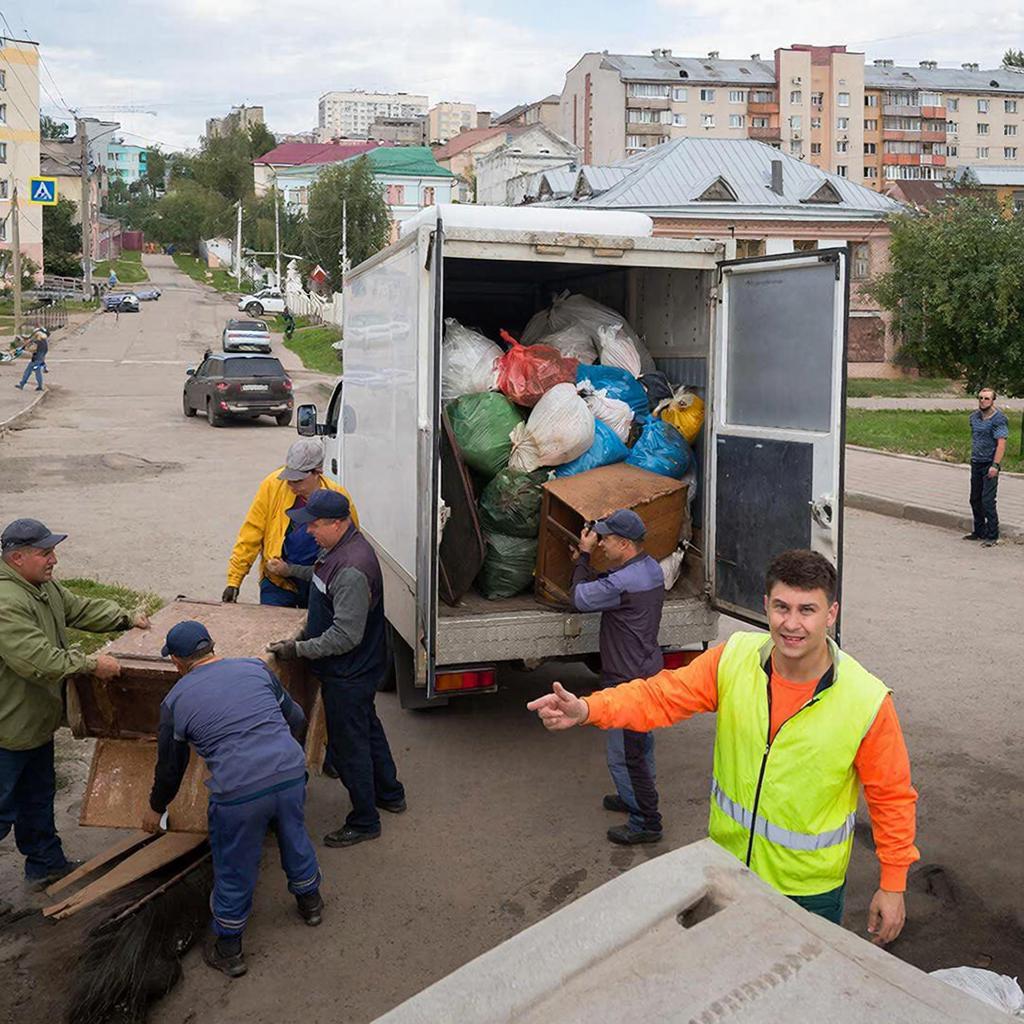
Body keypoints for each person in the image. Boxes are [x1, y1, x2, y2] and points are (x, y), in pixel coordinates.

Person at [528, 549, 918, 946]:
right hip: (725, 871)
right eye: (782, 607)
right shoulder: (734, 659)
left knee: (791, 999)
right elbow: (660, 696)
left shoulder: (865, 700)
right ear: (765, 605)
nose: (792, 623)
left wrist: (892, 883)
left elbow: (892, 796)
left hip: (808, 892)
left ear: (830, 614)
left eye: (807, 610)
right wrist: (589, 708)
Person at [143, 620, 323, 979]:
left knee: (234, 864)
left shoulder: (175, 701)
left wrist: (156, 807)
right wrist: (277, 753)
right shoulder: (254, 668)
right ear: (211, 647)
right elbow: (298, 717)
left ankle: (229, 949)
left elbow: (170, 770)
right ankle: (311, 904)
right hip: (288, 771)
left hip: (239, 791)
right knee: (293, 835)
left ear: (178, 661)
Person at [0, 518, 149, 887]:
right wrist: (91, 665)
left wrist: (126, 617)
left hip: (34, 723)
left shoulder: (41, 587)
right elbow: (36, 660)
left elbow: (79, 608)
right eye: (45, 553)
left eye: (53, 551)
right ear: (16, 557)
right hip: (6, 729)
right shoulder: (6, 602)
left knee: (37, 797)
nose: (54, 560)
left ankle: (46, 864)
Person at [266, 490, 406, 849]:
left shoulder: (352, 569)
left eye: (314, 524)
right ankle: (389, 793)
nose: (309, 531)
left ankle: (364, 820)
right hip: (354, 671)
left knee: (350, 746)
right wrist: (289, 571)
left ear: (338, 523)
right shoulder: (339, 551)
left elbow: (345, 636)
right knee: (368, 728)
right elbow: (319, 577)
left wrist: (297, 649)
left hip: (349, 673)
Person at [571, 510, 666, 846]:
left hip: (627, 682)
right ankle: (633, 798)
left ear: (625, 543)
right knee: (641, 747)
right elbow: (611, 581)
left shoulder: (625, 583)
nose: (601, 545)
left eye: (606, 540)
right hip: (646, 671)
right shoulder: (649, 568)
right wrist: (592, 561)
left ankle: (646, 821)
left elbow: (580, 598)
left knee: (626, 754)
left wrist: (583, 557)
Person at [223, 439, 357, 608]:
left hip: (318, 582)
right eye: (289, 479)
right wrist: (234, 580)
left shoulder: (337, 497)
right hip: (277, 582)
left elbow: (351, 544)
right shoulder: (272, 486)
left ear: (318, 472)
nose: (291, 485)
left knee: (315, 632)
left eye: (298, 480)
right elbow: (252, 532)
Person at [964, 387, 1009, 548]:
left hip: (989, 464)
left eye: (987, 398)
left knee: (988, 500)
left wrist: (995, 465)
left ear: (993, 400)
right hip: (976, 462)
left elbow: (1001, 443)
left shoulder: (999, 419)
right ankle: (979, 531)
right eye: (981, 398)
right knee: (975, 499)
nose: (983, 401)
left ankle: (993, 535)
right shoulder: (974, 417)